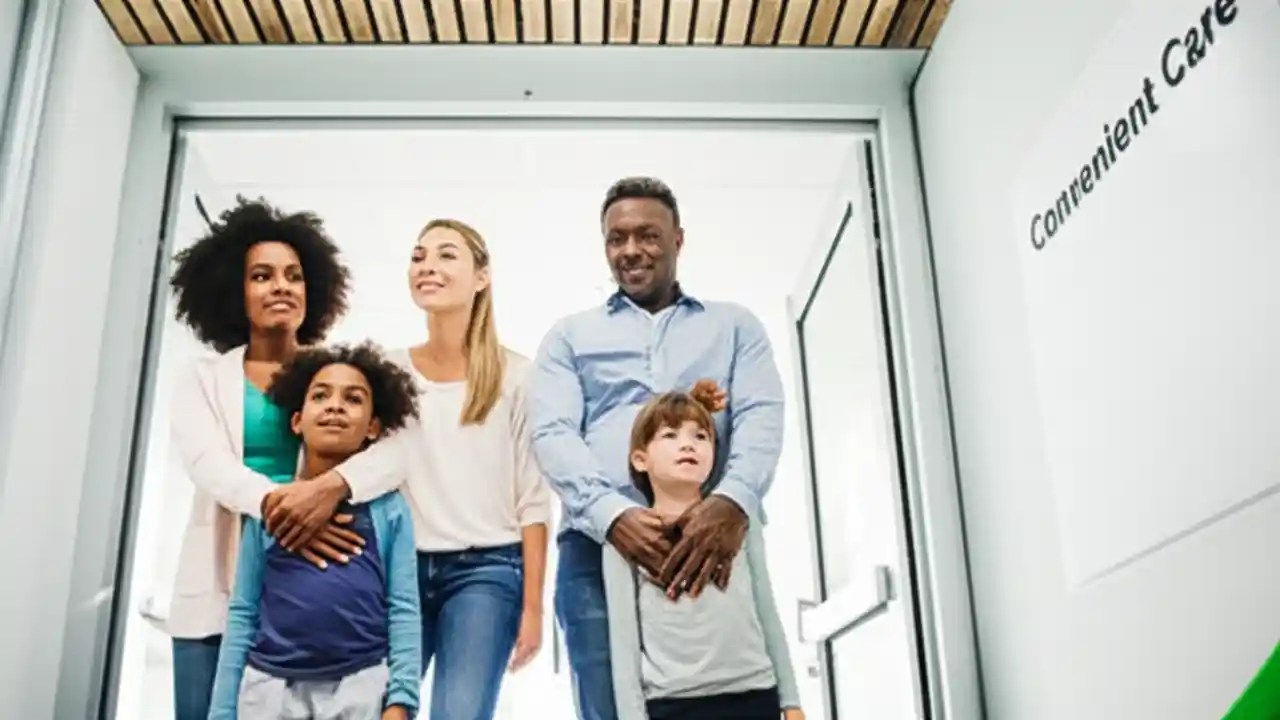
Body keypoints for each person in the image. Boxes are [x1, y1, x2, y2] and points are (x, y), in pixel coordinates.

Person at [530, 176, 786, 720]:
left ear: (678, 240)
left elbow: (762, 415)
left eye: (647, 235)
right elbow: (552, 433)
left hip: (714, 538)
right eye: (616, 238)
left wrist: (733, 500)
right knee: (608, 705)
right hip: (598, 546)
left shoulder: (735, 327)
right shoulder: (568, 337)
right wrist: (611, 514)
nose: (630, 250)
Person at [167, 198, 406, 720]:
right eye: (262, 276)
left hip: (304, 590)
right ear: (234, 290)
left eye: (294, 276)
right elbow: (208, 464)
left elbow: (397, 453)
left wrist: (327, 490)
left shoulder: (334, 377)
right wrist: (286, 510)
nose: (281, 286)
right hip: (218, 587)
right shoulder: (201, 377)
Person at [388, 218, 551, 719]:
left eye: (446, 254)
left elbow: (534, 500)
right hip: (399, 572)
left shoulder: (517, 376)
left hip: (487, 572)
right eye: (418, 256)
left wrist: (533, 607)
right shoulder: (386, 371)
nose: (427, 266)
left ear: (482, 276)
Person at [208, 342, 423, 720]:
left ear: (373, 427)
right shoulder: (270, 508)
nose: (335, 406)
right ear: (297, 421)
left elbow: (403, 607)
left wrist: (401, 700)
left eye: (353, 399)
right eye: (320, 396)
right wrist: (222, 711)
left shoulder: (389, 510)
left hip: (360, 686)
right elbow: (243, 612)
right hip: (267, 689)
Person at [604, 381, 803, 720]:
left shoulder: (743, 523)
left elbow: (767, 610)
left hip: (755, 695)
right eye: (670, 435)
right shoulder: (622, 541)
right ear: (640, 459)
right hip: (672, 704)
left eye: (700, 436)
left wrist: (791, 701)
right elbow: (623, 645)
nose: (688, 444)